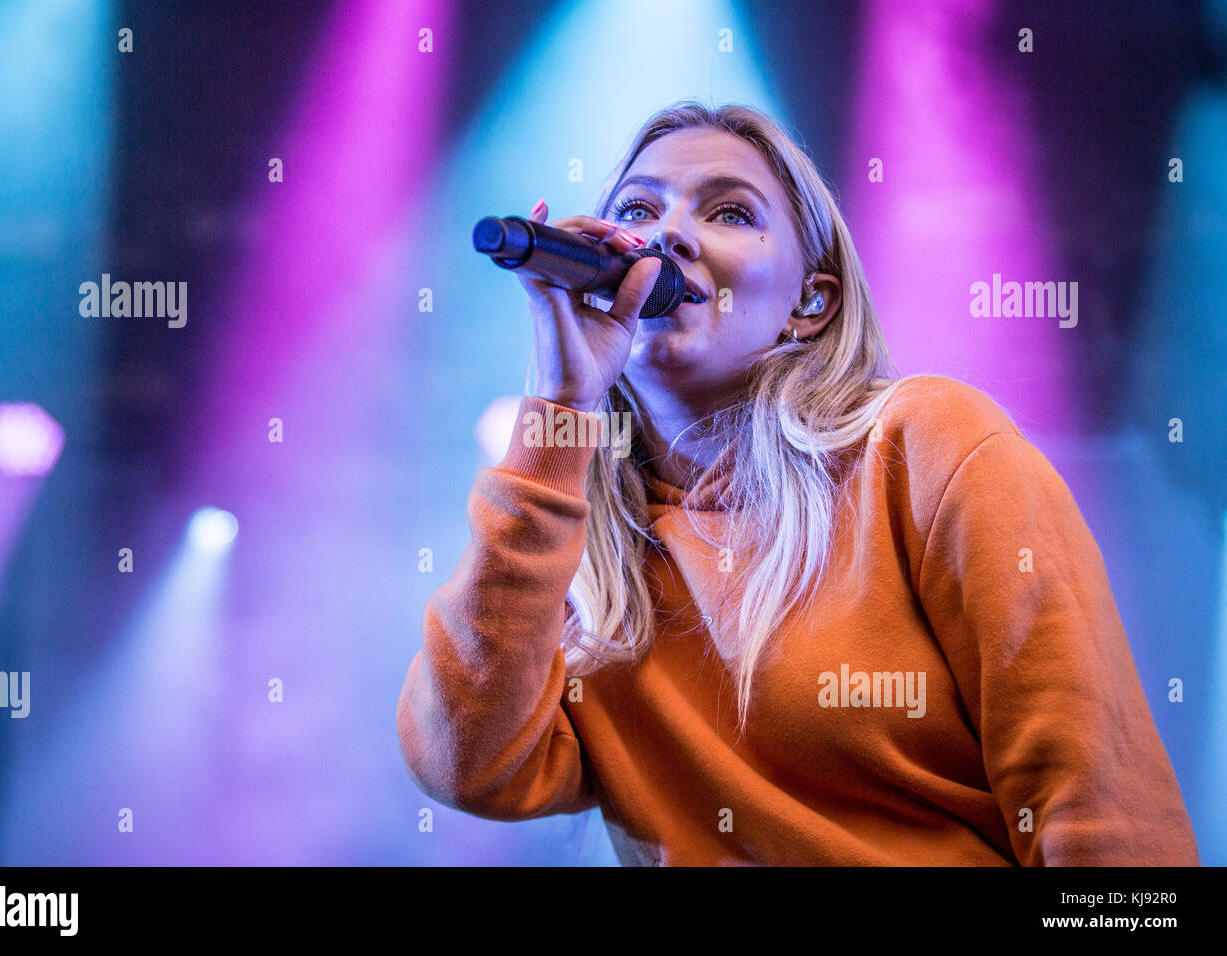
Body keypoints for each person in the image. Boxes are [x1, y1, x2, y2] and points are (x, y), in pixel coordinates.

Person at [396, 100, 1200, 866]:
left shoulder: (924, 448)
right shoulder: (576, 545)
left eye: (730, 213)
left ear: (809, 304)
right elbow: (466, 763)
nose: (665, 234)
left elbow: (1099, 809)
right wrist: (561, 405)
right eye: (638, 211)